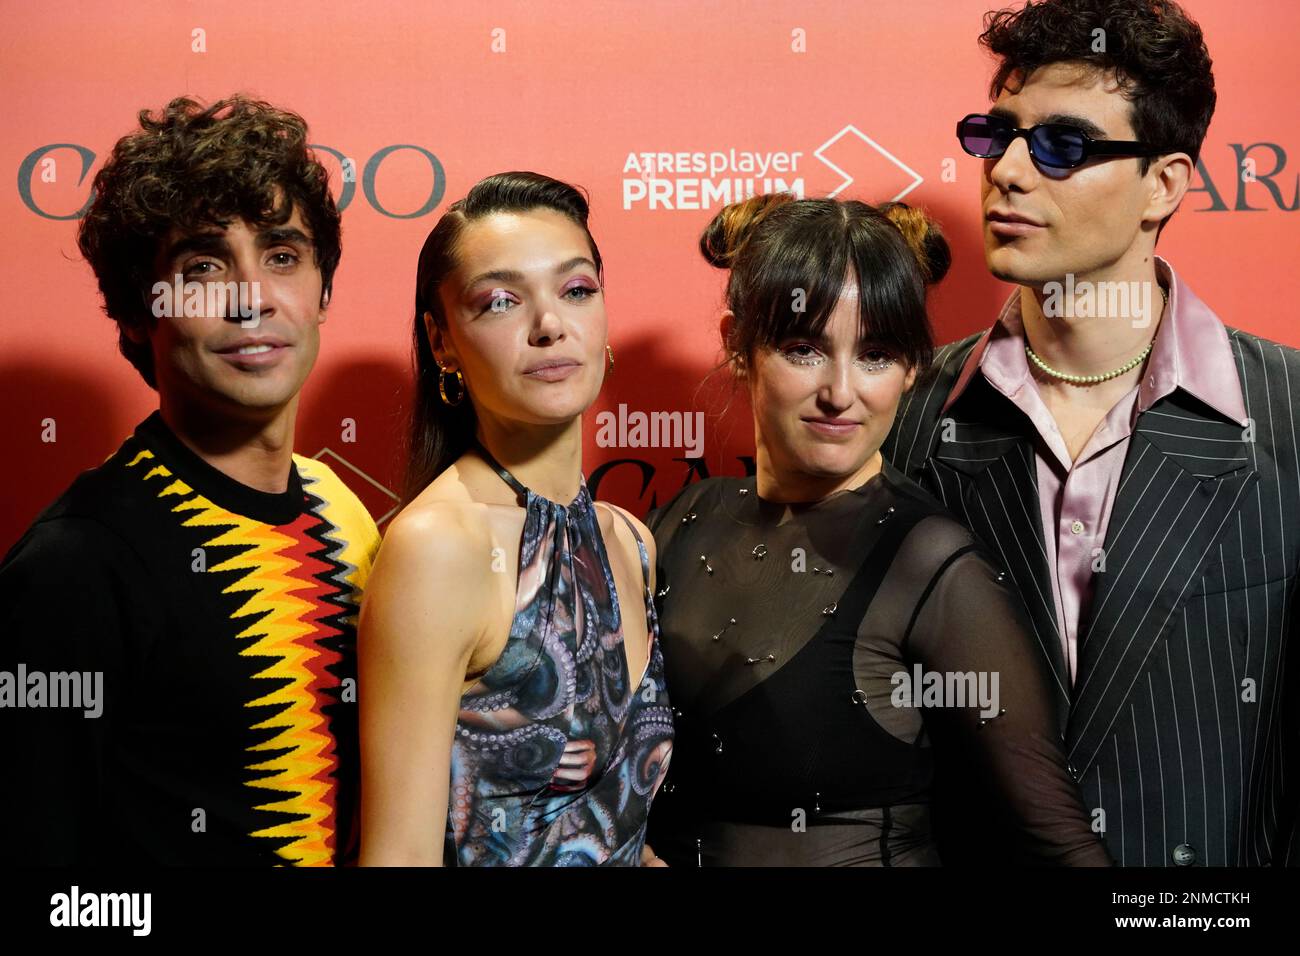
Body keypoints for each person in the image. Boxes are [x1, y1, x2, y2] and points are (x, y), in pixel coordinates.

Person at [884, 0, 1300, 866]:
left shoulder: (1290, 415)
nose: (1008, 171)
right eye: (996, 136)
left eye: (1063, 147)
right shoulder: (912, 413)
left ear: (1166, 184)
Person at [645, 193, 1111, 866]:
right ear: (736, 346)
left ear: (912, 367)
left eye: (875, 354)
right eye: (804, 349)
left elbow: (1055, 840)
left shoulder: (926, 560)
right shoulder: (680, 523)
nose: (841, 392)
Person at [0, 96, 379, 865]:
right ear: (141, 312)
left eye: (282, 257)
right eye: (203, 266)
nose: (252, 297)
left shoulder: (344, 512)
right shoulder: (73, 566)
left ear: (322, 293)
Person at [358, 171, 673, 867]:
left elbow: (610, 821)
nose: (550, 324)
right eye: (500, 302)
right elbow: (398, 857)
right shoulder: (440, 545)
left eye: (577, 289)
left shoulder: (631, 541)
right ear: (442, 344)